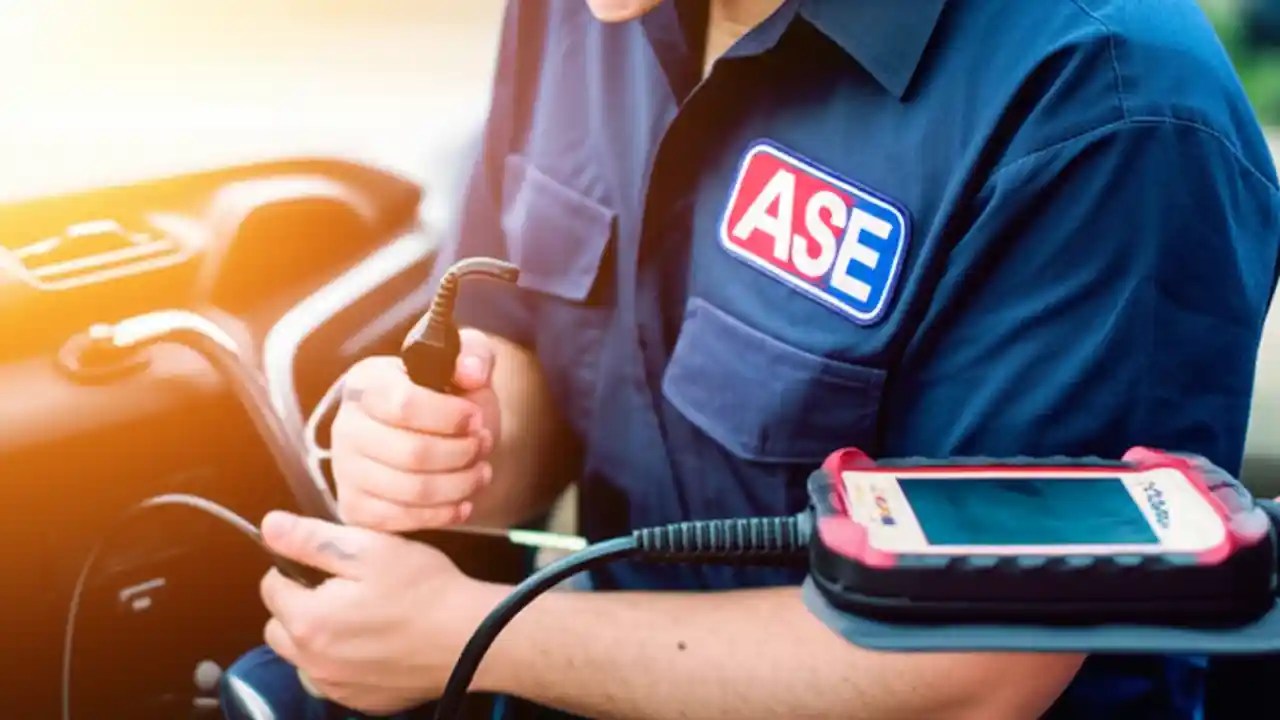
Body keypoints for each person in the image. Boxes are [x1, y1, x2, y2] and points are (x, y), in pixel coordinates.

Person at [222, 0, 1280, 718]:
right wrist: (451, 447)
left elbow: (976, 674)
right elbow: (534, 341)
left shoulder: (1104, 103)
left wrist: (470, 636)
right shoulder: (597, 11)